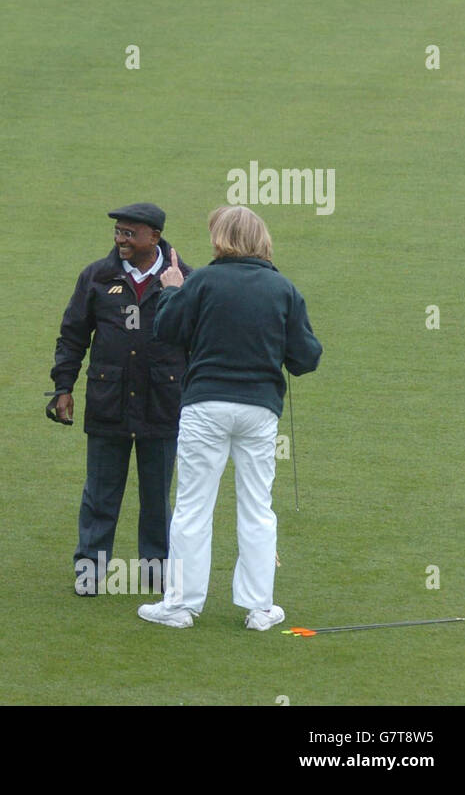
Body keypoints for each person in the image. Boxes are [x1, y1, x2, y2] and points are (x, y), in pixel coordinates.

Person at [138, 206, 322, 631]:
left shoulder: (201, 281)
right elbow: (306, 358)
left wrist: (171, 289)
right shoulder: (282, 289)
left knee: (192, 507)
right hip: (259, 412)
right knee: (257, 506)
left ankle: (180, 606)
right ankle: (260, 609)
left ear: (221, 238)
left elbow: (166, 330)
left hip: (206, 406)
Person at [48, 202, 191, 596]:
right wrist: (64, 387)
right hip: (108, 401)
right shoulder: (97, 276)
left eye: (130, 234)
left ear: (155, 238)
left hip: (163, 404)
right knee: (100, 491)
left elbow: (197, 343)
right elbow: (73, 335)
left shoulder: (184, 280)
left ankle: (155, 572)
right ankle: (90, 571)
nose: (121, 240)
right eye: (118, 233)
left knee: (157, 496)